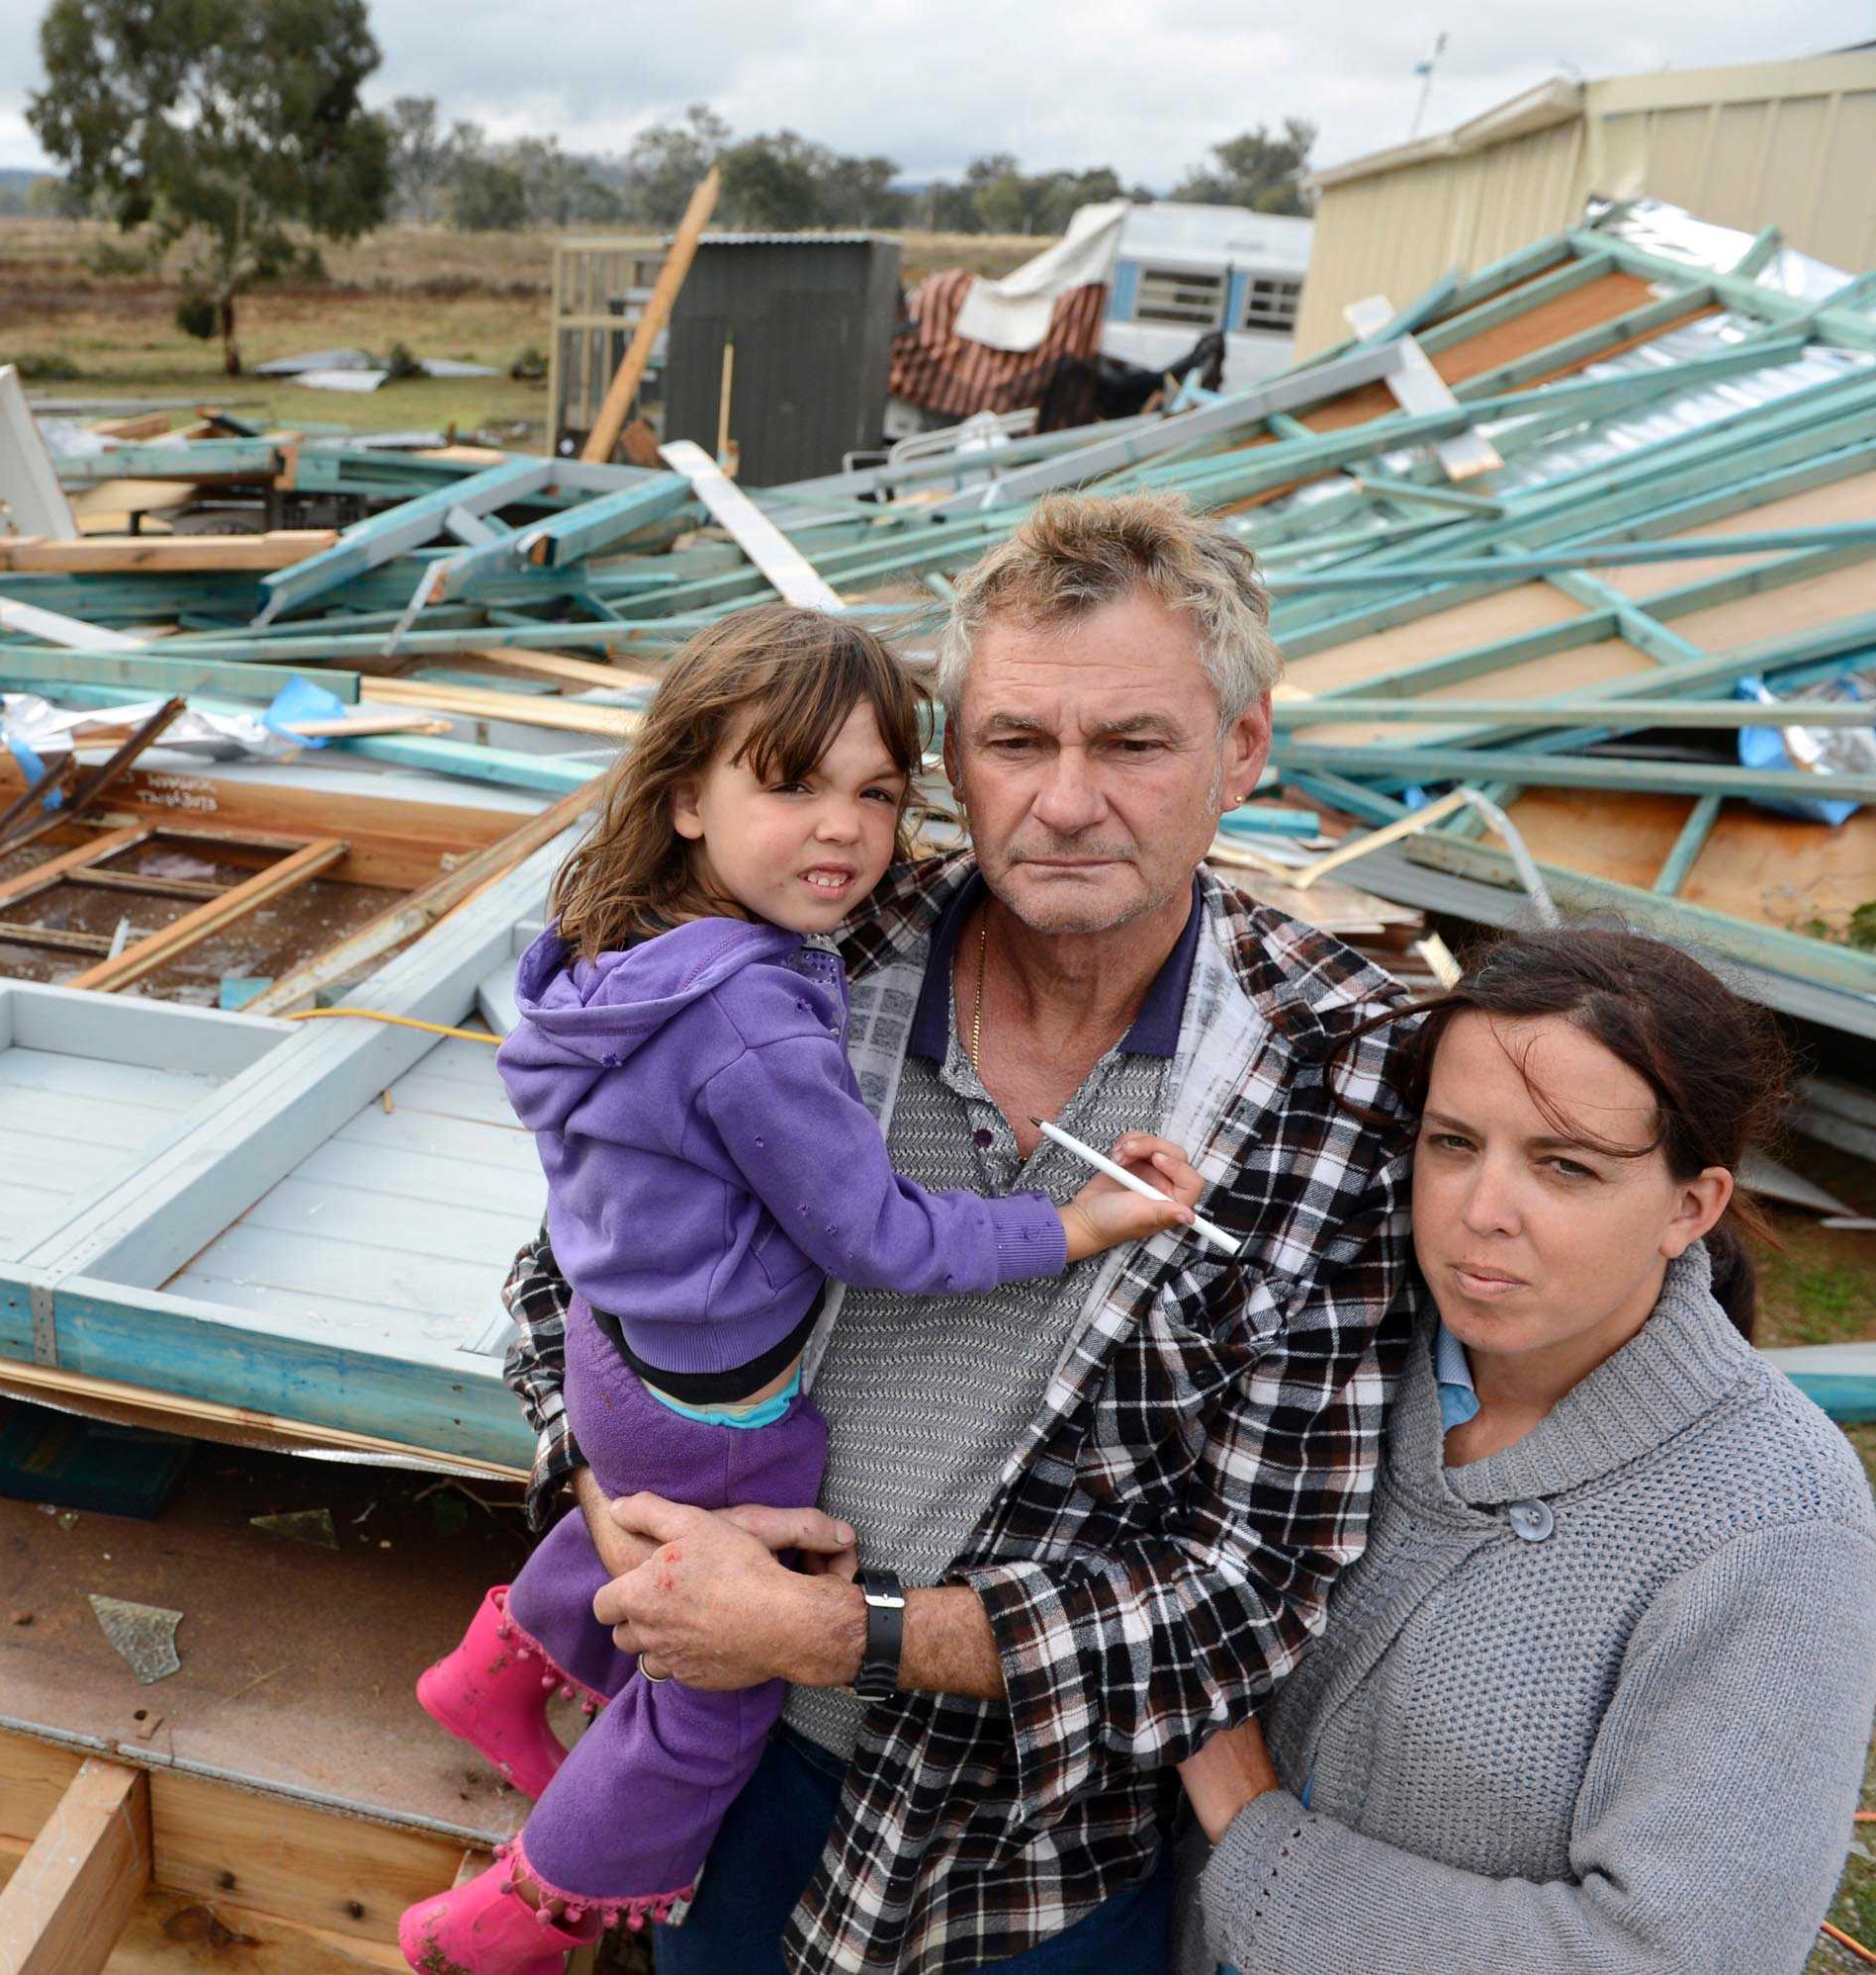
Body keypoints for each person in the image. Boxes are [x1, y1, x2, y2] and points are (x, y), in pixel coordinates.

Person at [497, 491, 1416, 1973]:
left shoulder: (1332, 1075)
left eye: (1132, 742)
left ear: (1241, 750)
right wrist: (615, 1496)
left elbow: (1251, 1582)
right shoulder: (802, 952)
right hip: (729, 1787)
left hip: (1026, 1862)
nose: (1064, 801)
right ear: (951, 762)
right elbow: (563, 1279)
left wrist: (830, 1633)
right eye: (1014, 743)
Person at [398, 605, 1203, 1975]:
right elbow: (880, 1236)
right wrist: (1072, 1224)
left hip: (622, 1344)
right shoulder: (759, 1019)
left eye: (877, 792)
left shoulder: (617, 958)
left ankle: (508, 1656)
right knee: (719, 1679)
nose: (843, 830)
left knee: (656, 1534)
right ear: (688, 800)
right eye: (791, 782)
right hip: (720, 1400)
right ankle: (524, 1911)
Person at [1174, 928, 1876, 1974]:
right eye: (1454, 1142)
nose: (1480, 1213)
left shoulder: (1777, 1522)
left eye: (1565, 1165)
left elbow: (1673, 1957)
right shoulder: (1333, 1359)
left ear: (1692, 1205)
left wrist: (1254, 1828)